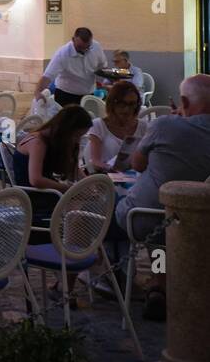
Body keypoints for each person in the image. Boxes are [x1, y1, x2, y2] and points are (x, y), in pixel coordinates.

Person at [105, 74, 210, 321]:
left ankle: (118, 276)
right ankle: (159, 283)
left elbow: (138, 164)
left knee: (114, 214)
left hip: (142, 216)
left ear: (183, 101)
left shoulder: (164, 125)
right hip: (194, 220)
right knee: (162, 235)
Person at [14, 104, 92, 227]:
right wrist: (66, 189)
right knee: (82, 212)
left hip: (48, 192)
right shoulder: (38, 142)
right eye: (76, 136)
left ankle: (75, 242)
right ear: (66, 129)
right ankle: (70, 243)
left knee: (89, 204)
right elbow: (35, 180)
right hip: (34, 195)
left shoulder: (54, 140)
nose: (77, 141)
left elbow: (73, 169)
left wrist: (90, 185)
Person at [85, 79, 146, 174]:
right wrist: (112, 169)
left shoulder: (143, 126)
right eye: (122, 103)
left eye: (132, 104)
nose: (127, 109)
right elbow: (95, 162)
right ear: (112, 103)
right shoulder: (99, 125)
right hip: (106, 176)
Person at [37, 27, 107, 107]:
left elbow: (102, 65)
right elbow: (48, 76)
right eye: (80, 47)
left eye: (87, 48)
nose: (83, 51)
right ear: (73, 39)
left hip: (89, 94)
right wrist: (38, 92)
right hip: (66, 95)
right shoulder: (63, 53)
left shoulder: (96, 47)